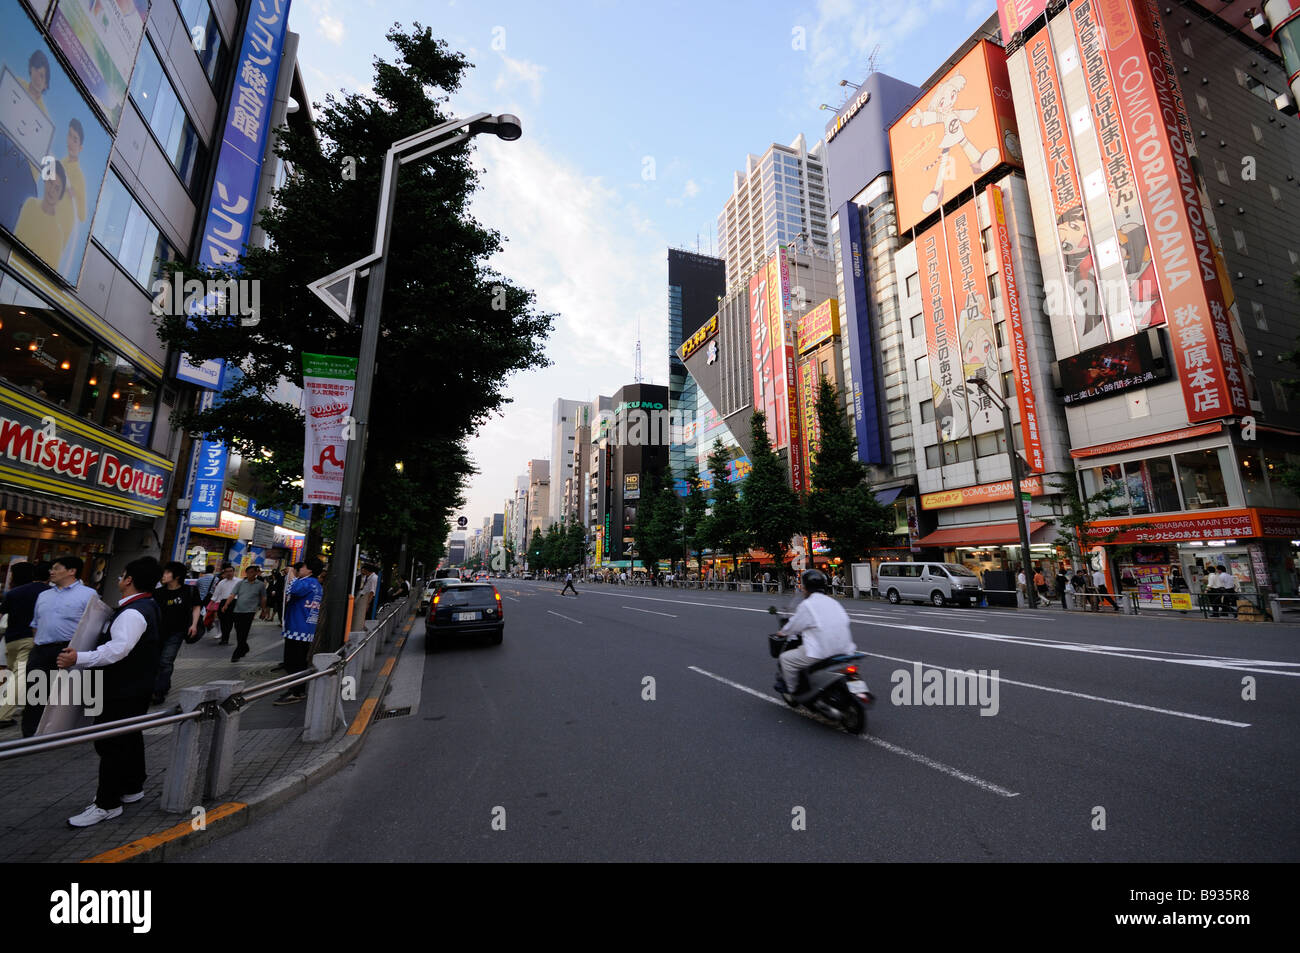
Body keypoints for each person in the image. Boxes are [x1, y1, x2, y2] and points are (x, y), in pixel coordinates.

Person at [58, 556, 163, 827]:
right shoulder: (145, 605)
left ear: (129, 580)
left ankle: (107, 803)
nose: (118, 579)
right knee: (128, 739)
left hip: (122, 689)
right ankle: (132, 787)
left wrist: (78, 657)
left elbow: (117, 650)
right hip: (134, 687)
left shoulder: (133, 612)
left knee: (110, 744)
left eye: (122, 575)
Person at [22, 556, 95, 737]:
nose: (51, 571)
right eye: (51, 568)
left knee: (67, 694)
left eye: (56, 568)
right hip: (41, 649)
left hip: (69, 650)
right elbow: (35, 624)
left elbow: (93, 626)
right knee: (35, 693)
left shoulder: (89, 594)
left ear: (72, 571)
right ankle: (30, 735)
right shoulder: (44, 595)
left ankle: (66, 732)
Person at [774, 569, 857, 697]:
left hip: (821, 651)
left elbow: (794, 626)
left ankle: (793, 691)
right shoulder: (834, 603)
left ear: (806, 588)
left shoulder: (808, 605)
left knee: (786, 659)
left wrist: (782, 633)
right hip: (844, 649)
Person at [0, 562, 50, 727]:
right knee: (19, 676)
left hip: (11, 639)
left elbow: (3, 612)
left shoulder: (14, 592)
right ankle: (3, 714)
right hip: (30, 638)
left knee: (11, 674)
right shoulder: (49, 594)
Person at [274, 557, 324, 705]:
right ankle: (295, 689)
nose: (298, 570)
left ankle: (297, 691)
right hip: (304, 626)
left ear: (309, 569)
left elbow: (291, 589)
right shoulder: (315, 584)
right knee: (296, 661)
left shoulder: (308, 583)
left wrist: (290, 574)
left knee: (294, 662)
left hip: (299, 627)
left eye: (301, 567)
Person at [151, 561, 201, 704]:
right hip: (158, 631)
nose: (164, 575)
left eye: (167, 572)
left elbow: (196, 607)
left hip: (177, 632)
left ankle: (158, 692)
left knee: (166, 660)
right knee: (156, 661)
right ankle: (163, 684)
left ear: (177, 576)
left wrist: (194, 625)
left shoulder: (189, 591)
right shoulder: (158, 592)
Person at [223, 565, 267, 662]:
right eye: (248, 572)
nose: (250, 574)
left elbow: (263, 598)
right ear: (246, 573)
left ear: (256, 573)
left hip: (250, 612)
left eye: (252, 572)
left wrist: (264, 611)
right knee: (239, 631)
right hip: (238, 610)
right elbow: (232, 594)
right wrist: (226, 604)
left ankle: (237, 653)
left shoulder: (260, 585)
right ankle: (244, 647)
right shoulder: (240, 583)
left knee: (244, 631)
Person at [210, 564, 238, 645]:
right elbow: (215, 594)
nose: (229, 573)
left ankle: (225, 638)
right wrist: (211, 605)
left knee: (229, 622)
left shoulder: (239, 581)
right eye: (227, 571)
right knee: (222, 621)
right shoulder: (221, 582)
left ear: (233, 572)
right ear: (224, 573)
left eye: (231, 571)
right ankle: (224, 637)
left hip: (234, 603)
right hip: (222, 603)